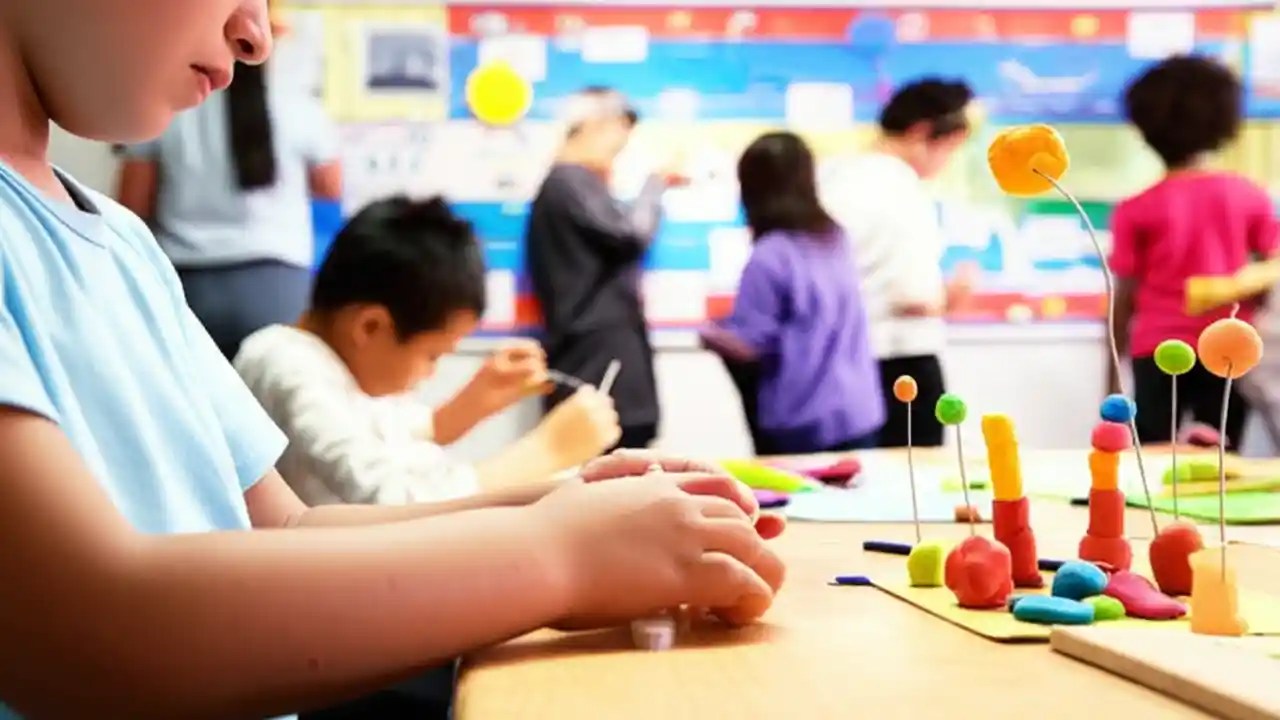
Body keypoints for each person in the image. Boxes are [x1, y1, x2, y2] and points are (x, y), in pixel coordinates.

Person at [0, 1, 786, 717]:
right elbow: (87, 630)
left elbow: (288, 528)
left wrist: (559, 503)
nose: (257, 35)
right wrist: (561, 555)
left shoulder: (129, 245)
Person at [234, 195, 623, 506]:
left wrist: (474, 402)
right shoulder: (284, 364)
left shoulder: (330, 362)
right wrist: (545, 451)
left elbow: (388, 434)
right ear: (370, 327)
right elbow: (390, 498)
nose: (431, 372)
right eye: (432, 355)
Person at [115, 5, 342, 360]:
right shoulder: (298, 105)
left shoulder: (167, 104)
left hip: (188, 290)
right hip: (278, 290)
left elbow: (132, 205)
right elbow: (331, 187)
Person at [1111, 55, 1278, 450]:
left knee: (1152, 458)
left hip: (1155, 349)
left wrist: (1113, 371)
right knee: (1220, 460)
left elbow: (1124, 296)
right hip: (1229, 347)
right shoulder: (1248, 196)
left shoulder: (1136, 207)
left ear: (1145, 128)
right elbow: (1273, 266)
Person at [700, 132, 885, 455]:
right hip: (859, 411)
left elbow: (748, 345)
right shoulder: (835, 238)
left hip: (802, 421)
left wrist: (708, 333)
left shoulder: (771, 255)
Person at [525, 86, 684, 451]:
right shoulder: (569, 181)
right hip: (597, 367)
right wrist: (655, 184)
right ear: (592, 127)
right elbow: (631, 233)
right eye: (616, 144)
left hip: (595, 365)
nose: (616, 158)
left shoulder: (567, 185)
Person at [821, 78, 976, 449]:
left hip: (842, 362)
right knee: (911, 477)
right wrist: (954, 295)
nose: (946, 163)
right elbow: (915, 296)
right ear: (922, 132)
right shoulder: (901, 188)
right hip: (903, 362)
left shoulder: (834, 175)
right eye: (950, 150)